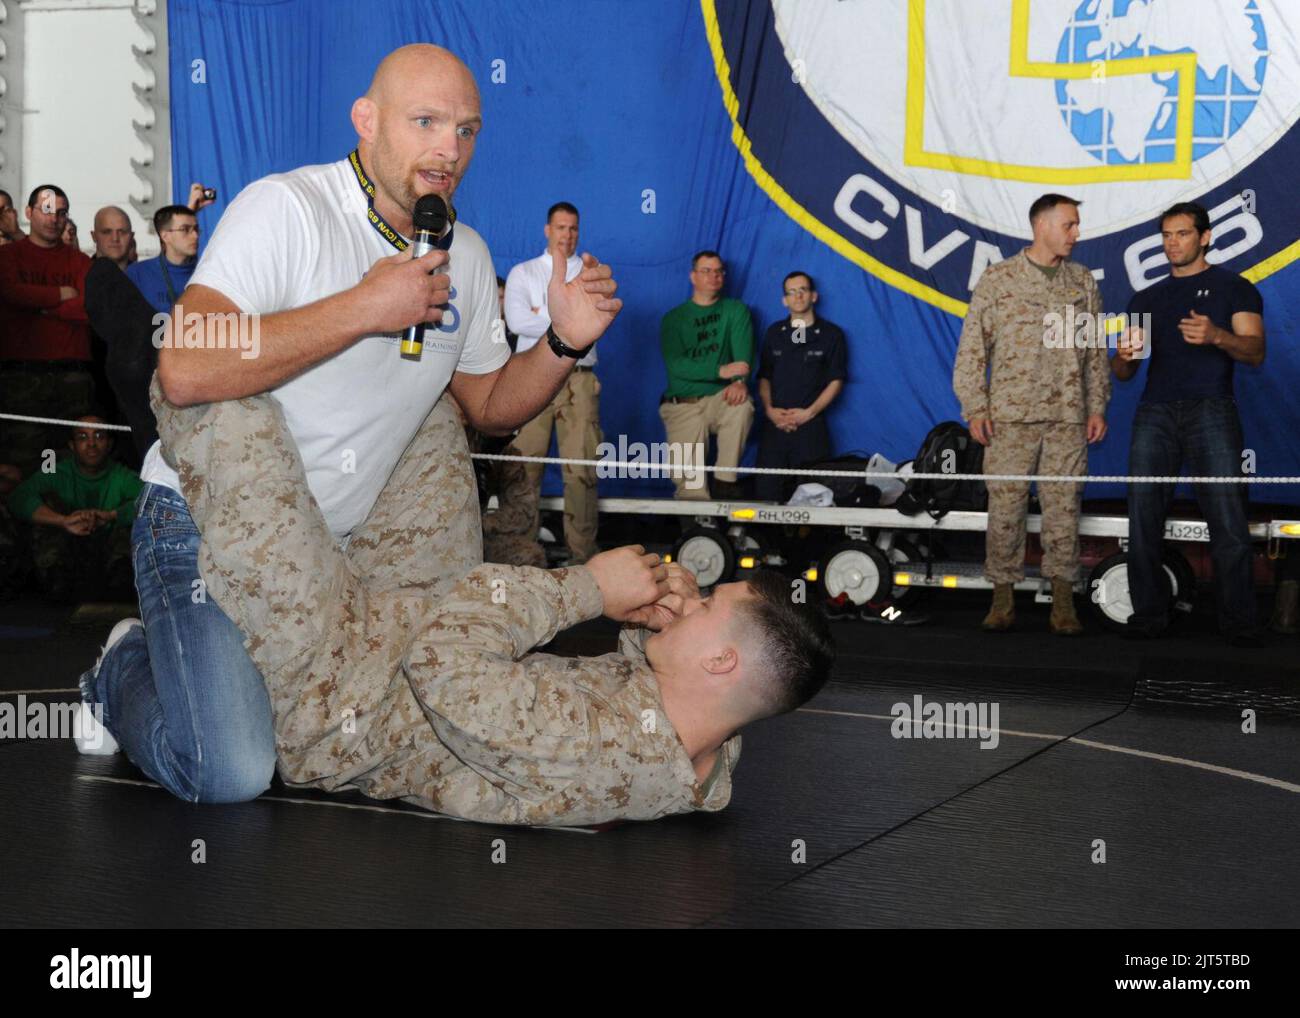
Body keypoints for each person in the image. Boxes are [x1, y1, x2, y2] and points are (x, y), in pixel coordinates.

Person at [77, 44, 623, 807]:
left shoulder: (463, 254)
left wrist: (562, 343)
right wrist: (363, 309)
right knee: (231, 771)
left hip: (341, 556)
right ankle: (118, 667)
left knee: (375, 731)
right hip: (198, 528)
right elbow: (187, 366)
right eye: (426, 121)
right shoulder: (288, 208)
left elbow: (491, 405)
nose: (449, 148)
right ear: (365, 120)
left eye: (467, 129)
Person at [97, 386, 835, 825]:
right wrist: (645, 627)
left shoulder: (601, 754)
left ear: (722, 659)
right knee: (431, 418)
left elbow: (442, 663)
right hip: (415, 617)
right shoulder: (704, 729)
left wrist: (586, 589)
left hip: (336, 686)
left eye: (704, 608)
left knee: (231, 414)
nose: (689, 597)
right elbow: (682, 698)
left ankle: (120, 665)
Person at [953, 194, 1111, 635]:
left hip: (1067, 416)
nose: (1077, 234)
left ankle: (1062, 600)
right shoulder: (998, 279)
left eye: (1077, 225)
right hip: (1010, 416)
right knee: (1006, 507)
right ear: (1042, 225)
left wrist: (1097, 405)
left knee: (1064, 507)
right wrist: (975, 407)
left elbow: (1095, 353)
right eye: (1070, 224)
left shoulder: (1081, 282)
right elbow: (971, 349)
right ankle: (1002, 597)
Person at [1112, 202, 1267, 646]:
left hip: (1211, 409)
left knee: (1228, 519)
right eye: (1166, 235)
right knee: (1142, 516)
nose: (1172, 243)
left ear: (1205, 237)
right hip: (1155, 411)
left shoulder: (1234, 288)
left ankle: (1238, 621)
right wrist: (1122, 357)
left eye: (1181, 234)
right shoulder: (1146, 298)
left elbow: (1256, 351)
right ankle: (1148, 614)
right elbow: (1123, 374)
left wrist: (1217, 335)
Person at [504, 203, 602, 563]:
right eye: (561, 227)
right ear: (548, 229)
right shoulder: (523, 272)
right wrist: (567, 317)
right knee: (525, 469)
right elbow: (516, 322)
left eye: (573, 228)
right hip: (533, 375)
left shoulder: (591, 273)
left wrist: (541, 313)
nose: (567, 234)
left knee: (581, 470)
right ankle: (521, 555)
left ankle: (583, 556)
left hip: (579, 380)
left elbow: (590, 327)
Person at [0, 185, 95, 476]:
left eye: (62, 212)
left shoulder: (80, 261)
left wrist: (40, 306)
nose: (55, 219)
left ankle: (64, 519)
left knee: (68, 461)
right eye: (47, 210)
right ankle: (31, 518)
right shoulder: (7, 257)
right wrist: (59, 295)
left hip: (72, 374)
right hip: (21, 375)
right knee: (24, 459)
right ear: (29, 213)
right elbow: (11, 293)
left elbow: (88, 308)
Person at [6, 414, 141, 602]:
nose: (91, 444)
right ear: (72, 445)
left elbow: (155, 500)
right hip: (67, 554)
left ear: (109, 444)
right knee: (46, 507)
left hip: (109, 558)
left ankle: (121, 586)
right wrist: (63, 521)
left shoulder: (122, 475)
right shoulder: (56, 471)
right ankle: (54, 580)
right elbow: (18, 497)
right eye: (82, 437)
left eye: (99, 436)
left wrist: (112, 515)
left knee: (138, 517)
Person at [659, 251, 755, 501]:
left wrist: (738, 382)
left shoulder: (735, 310)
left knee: (742, 405)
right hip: (682, 404)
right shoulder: (673, 319)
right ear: (693, 276)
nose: (713, 276)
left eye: (719, 271)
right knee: (690, 490)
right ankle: (694, 533)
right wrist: (720, 371)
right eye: (706, 271)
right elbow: (676, 367)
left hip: (718, 400)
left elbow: (742, 364)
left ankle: (725, 482)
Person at [755, 271, 846, 503]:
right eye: (791, 292)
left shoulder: (831, 335)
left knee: (815, 495)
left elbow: (836, 381)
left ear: (813, 296)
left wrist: (809, 413)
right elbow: (764, 376)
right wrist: (769, 411)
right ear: (784, 300)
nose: (797, 296)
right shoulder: (775, 333)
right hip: (775, 425)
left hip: (811, 426)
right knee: (767, 494)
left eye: (802, 290)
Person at [125, 205, 200, 315]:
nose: (195, 235)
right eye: (185, 229)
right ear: (165, 236)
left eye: (196, 229)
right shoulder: (137, 274)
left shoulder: (208, 272)